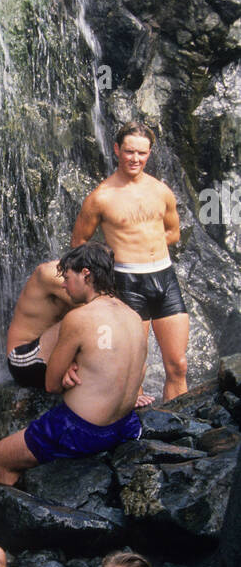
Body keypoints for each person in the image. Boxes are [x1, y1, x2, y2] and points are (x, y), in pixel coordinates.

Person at [0, 243, 146, 485]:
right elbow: (138, 368)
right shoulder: (133, 316)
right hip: (126, 426)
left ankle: (19, 513)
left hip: (82, 431)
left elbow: (52, 385)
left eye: (67, 277)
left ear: (86, 274)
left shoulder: (79, 317)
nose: (62, 284)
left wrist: (64, 371)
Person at [71, 121, 189, 402]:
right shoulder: (101, 197)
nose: (135, 158)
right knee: (134, 369)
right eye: (129, 151)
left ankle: (181, 433)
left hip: (164, 277)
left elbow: (173, 232)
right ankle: (136, 436)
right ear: (116, 150)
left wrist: (149, 247)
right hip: (127, 281)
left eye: (141, 153)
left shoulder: (161, 190)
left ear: (149, 153)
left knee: (178, 365)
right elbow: (79, 244)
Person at [6, 259, 74, 389]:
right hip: (23, 359)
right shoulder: (53, 274)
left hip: (51, 351)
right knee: (82, 318)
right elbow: (97, 310)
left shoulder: (78, 277)